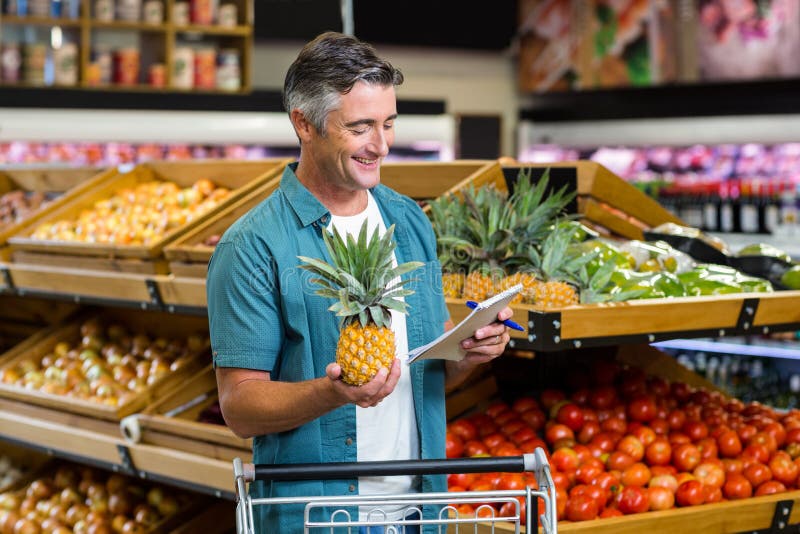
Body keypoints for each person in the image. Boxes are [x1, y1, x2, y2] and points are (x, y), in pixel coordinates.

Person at [207, 31, 514, 533]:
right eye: (361, 126)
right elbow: (239, 407)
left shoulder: (409, 221)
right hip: (317, 518)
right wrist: (333, 393)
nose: (382, 144)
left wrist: (468, 353)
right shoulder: (253, 246)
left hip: (419, 508)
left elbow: (424, 370)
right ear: (304, 124)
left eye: (389, 123)